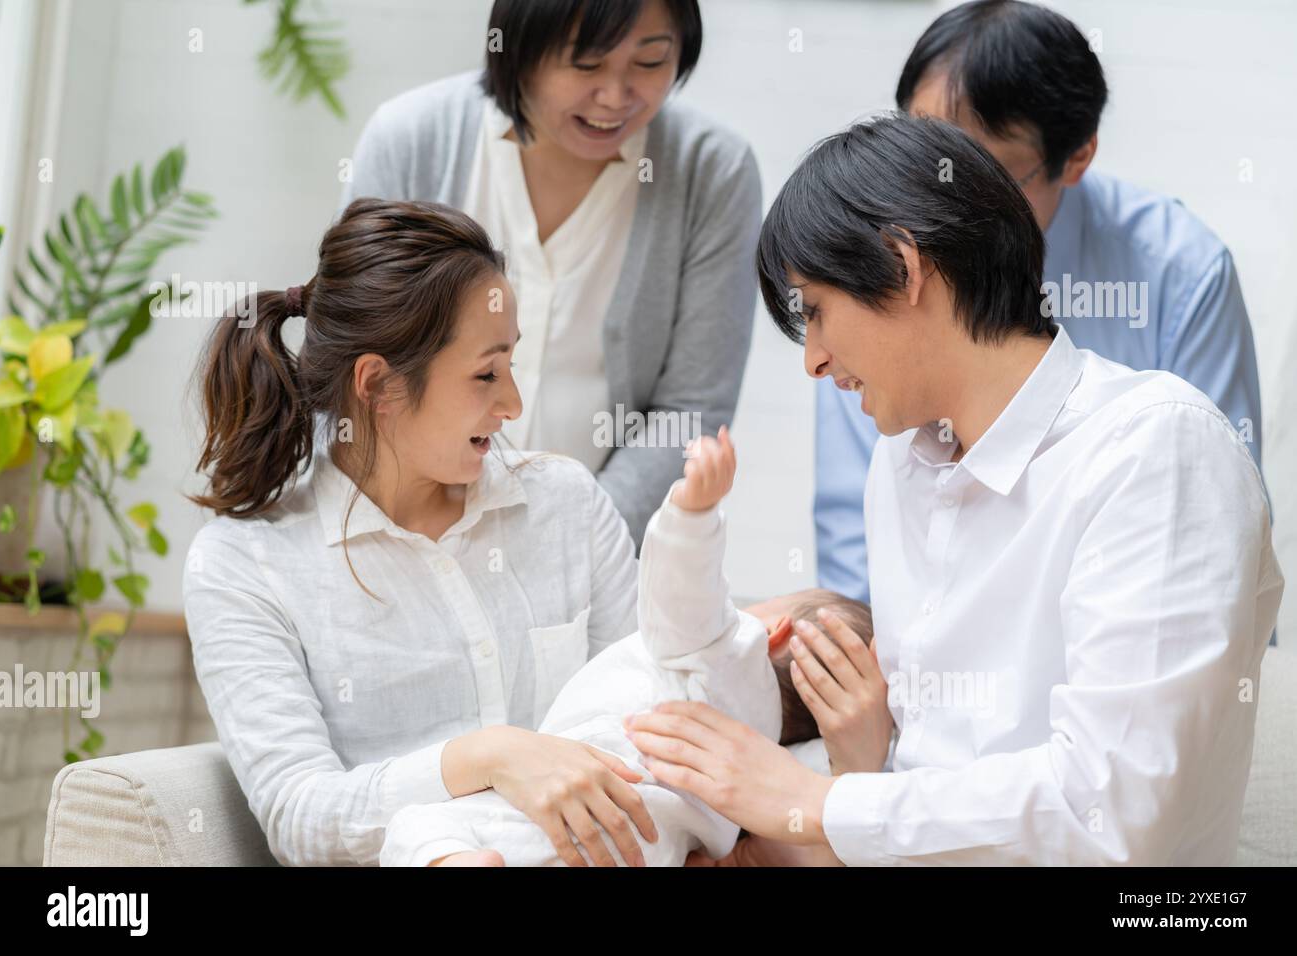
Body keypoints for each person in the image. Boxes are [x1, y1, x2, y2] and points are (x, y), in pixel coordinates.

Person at [626, 113, 1282, 865]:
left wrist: (815, 803)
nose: (813, 360)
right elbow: (929, 791)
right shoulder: (902, 467)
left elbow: (1116, 811)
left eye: (815, 312)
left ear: (903, 267)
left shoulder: (1155, 449)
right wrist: (839, 776)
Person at [184, 199, 664, 867]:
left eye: (511, 366)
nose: (513, 405)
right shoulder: (245, 565)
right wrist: (486, 757)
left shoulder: (566, 505)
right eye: (485, 374)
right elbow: (301, 815)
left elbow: (654, 704)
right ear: (378, 385)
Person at [814, 0, 1263, 605]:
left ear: (1076, 155)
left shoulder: (1180, 274)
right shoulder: (875, 273)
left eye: (982, 176)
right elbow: (854, 562)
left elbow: (1214, 529)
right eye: (922, 161)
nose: (929, 209)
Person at [341, 0, 761, 548]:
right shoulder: (413, 140)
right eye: (585, 65)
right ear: (519, 47)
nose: (615, 96)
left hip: (600, 553)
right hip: (405, 537)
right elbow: (350, 360)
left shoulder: (712, 172)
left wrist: (573, 546)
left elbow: (688, 410)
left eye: (651, 61)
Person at [380, 428, 875, 866]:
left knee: (414, 826)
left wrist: (693, 516)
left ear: (777, 631)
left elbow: (683, 598)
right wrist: (857, 767)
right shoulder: (758, 782)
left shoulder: (725, 653)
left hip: (547, 816)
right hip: (641, 848)